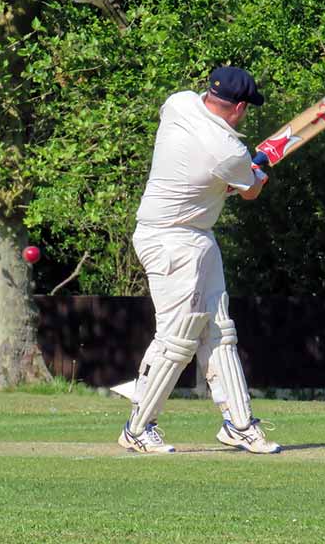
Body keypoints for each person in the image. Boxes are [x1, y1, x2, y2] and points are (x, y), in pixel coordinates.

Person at [117, 66, 281, 454]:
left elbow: (215, 172)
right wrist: (254, 175)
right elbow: (251, 190)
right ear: (239, 107)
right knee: (177, 336)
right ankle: (137, 427)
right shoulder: (228, 151)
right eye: (247, 109)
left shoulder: (178, 104)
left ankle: (238, 424)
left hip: (194, 235)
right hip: (172, 241)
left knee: (219, 328)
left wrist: (238, 174)